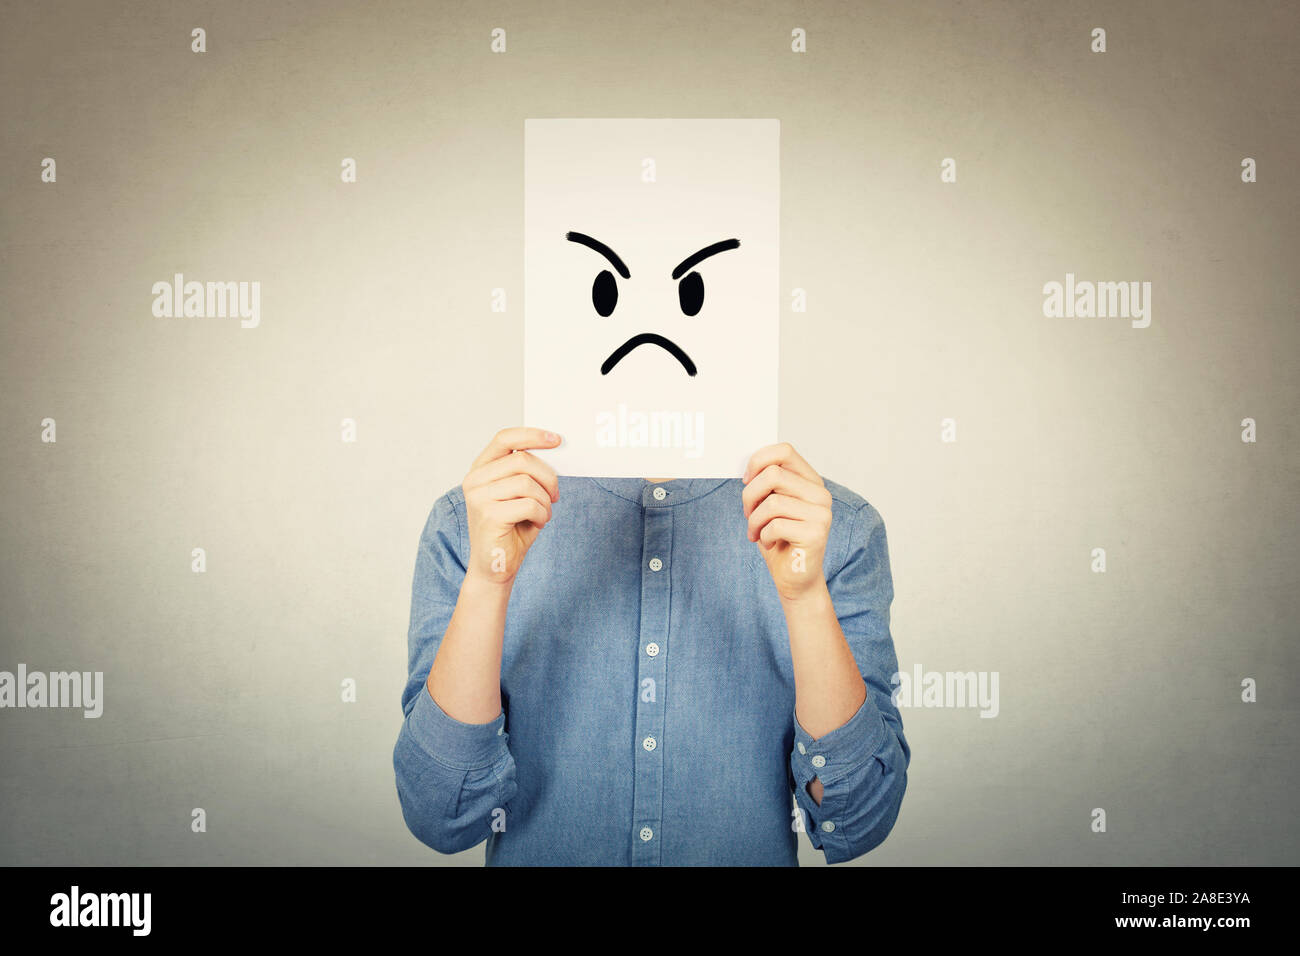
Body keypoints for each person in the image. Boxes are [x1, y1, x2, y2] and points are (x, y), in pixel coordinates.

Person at [393, 426, 909, 865]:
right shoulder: (471, 523)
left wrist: (804, 595)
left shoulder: (834, 530)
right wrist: (489, 580)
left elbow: (858, 816)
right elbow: (441, 814)